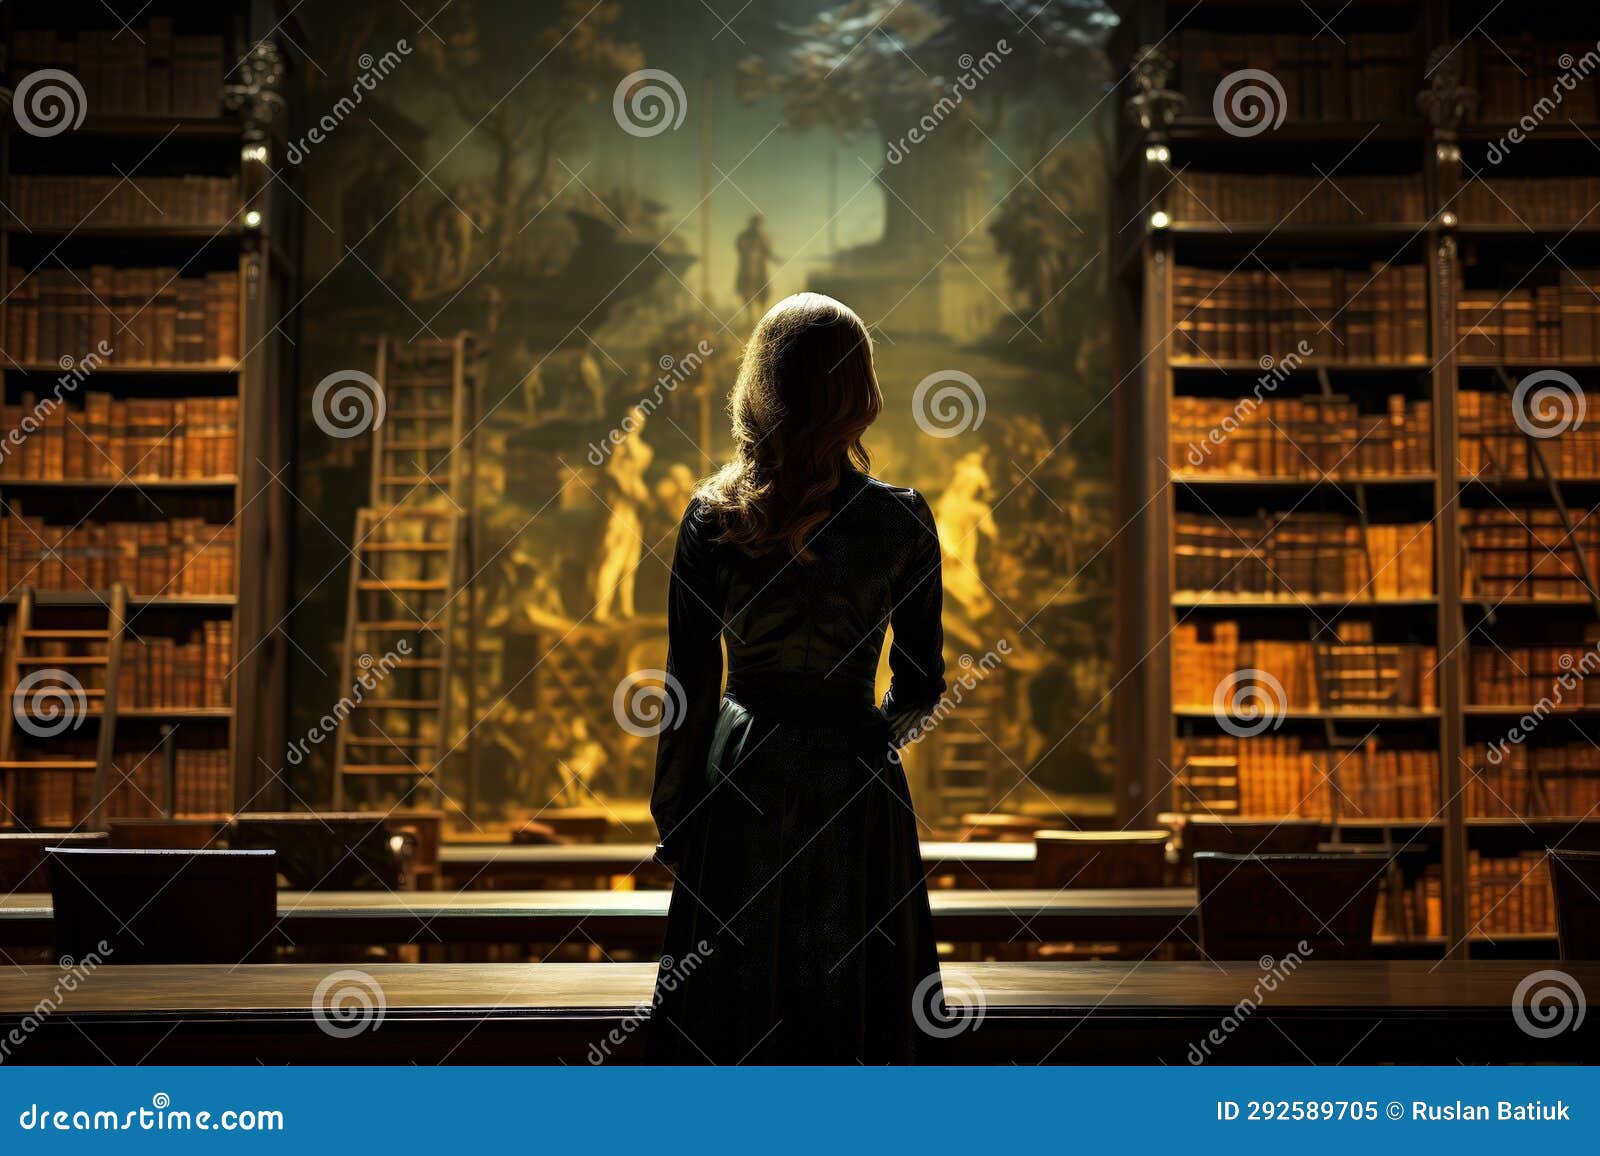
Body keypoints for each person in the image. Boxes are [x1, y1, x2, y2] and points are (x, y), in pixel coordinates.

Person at [646, 293, 946, 1064]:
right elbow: (919, 687)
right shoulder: (903, 521)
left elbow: (688, 682)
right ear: (864, 394)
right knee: (861, 1017)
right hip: (857, 784)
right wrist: (865, 745)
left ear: (761, 384)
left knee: (732, 1020)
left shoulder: (713, 517)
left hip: (740, 776)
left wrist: (677, 817)